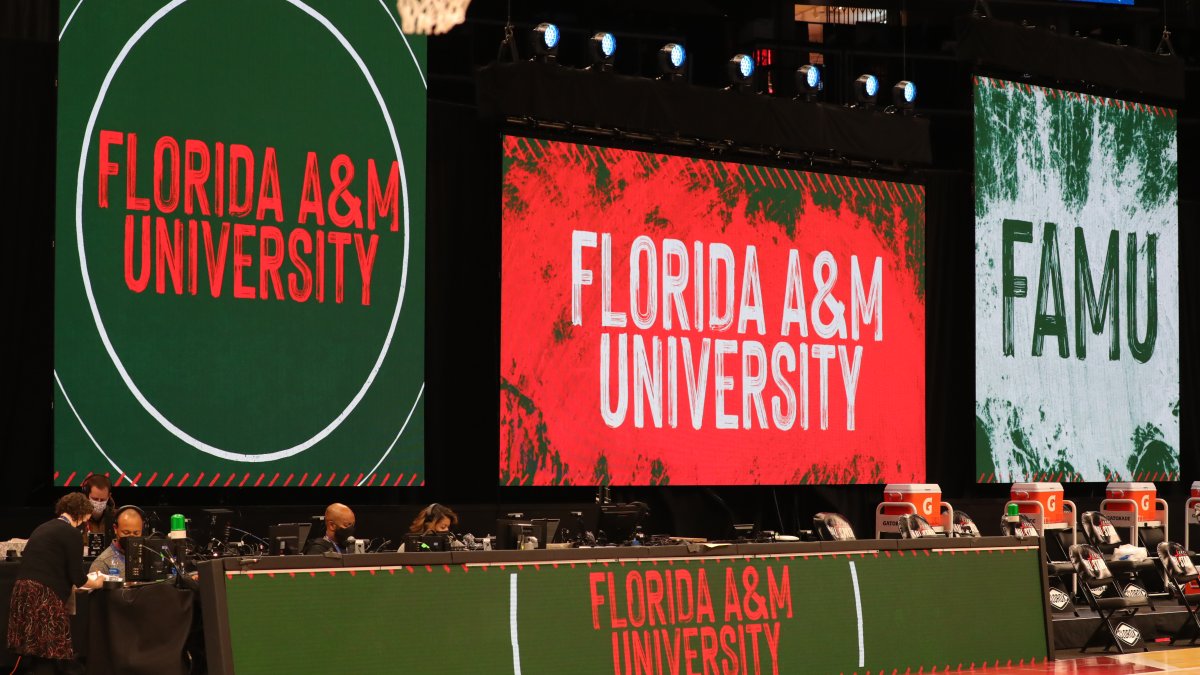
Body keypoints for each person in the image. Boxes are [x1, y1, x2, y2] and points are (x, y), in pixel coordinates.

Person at [7, 493, 106, 674]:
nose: (87, 521)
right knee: (48, 652)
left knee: (35, 652)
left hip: (22, 591)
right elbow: (78, 577)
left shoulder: (43, 527)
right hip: (44, 594)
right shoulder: (72, 533)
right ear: (81, 513)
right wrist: (98, 582)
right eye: (86, 516)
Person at [87, 506, 144, 578]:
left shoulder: (148, 556)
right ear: (115, 529)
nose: (131, 538)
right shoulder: (102, 564)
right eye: (126, 533)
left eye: (136, 533)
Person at [80, 474, 116, 544]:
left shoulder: (117, 518)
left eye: (102, 499)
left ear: (109, 496)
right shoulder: (76, 519)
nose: (99, 502)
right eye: (95, 499)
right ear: (87, 495)